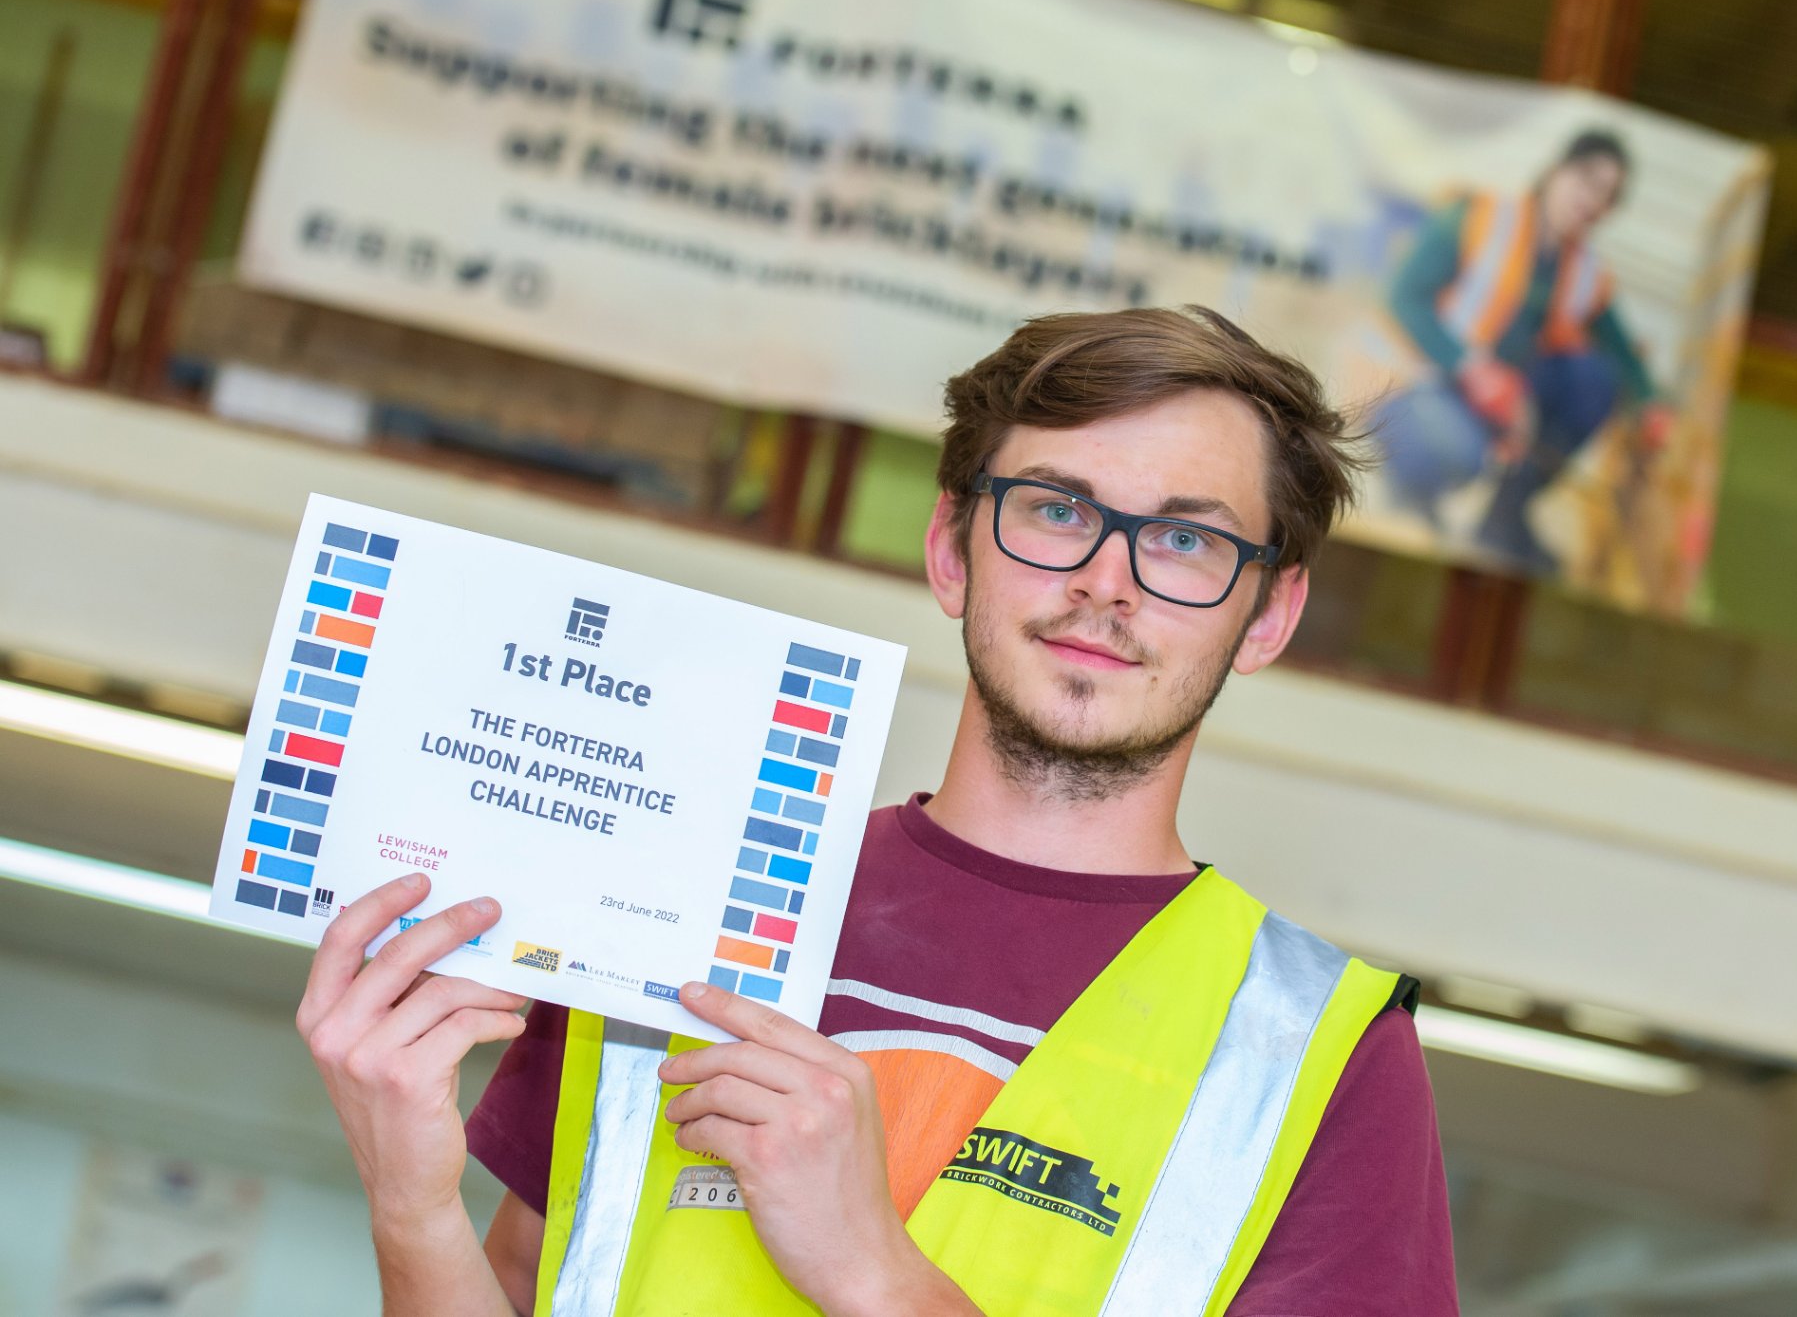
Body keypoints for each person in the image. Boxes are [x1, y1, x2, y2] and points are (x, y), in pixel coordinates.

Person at [295, 305, 1459, 1315]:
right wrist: (410, 1207)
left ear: (1265, 614)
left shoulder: (1318, 1056)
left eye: (1185, 539)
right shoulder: (677, 893)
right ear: (952, 547)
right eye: (1056, 510)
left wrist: (872, 1274)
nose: (1108, 580)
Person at [1373, 129, 1671, 576]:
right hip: (1434, 386)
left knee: (1593, 378)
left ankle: (1504, 519)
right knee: (1455, 450)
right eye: (1587, 179)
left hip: (1511, 407)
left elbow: (1620, 349)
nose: (1594, 200)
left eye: (1609, 195)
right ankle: (1410, 497)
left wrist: (1649, 401)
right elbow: (1403, 297)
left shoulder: (1584, 270)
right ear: (1555, 170)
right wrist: (1470, 367)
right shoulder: (1477, 217)